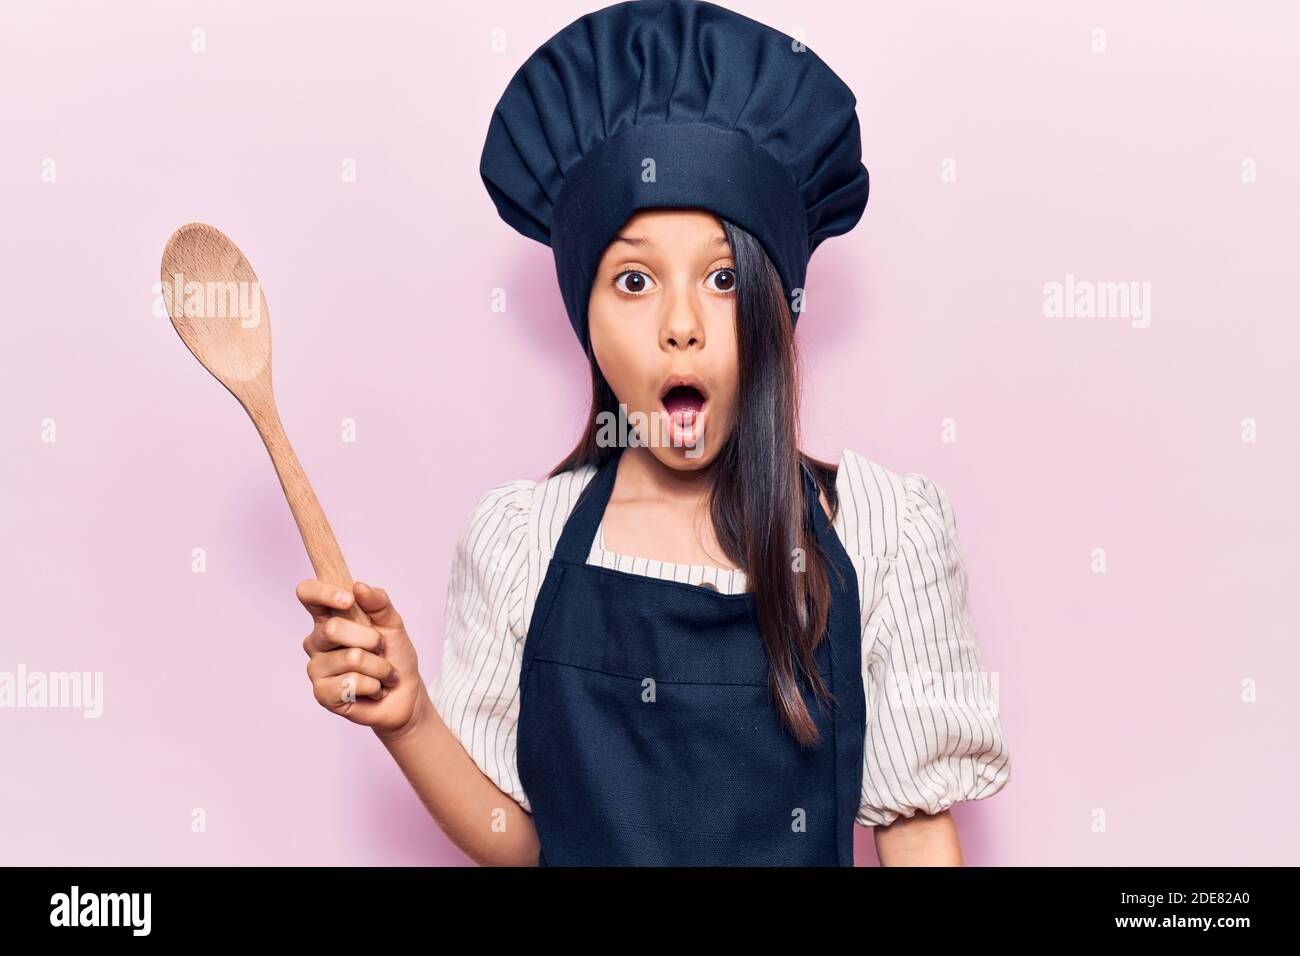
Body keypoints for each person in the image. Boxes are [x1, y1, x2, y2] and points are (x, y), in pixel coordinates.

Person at [298, 0, 1011, 866]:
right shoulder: (521, 540)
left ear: (776, 307)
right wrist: (408, 717)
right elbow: (524, 844)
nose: (681, 326)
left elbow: (918, 831)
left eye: (722, 277)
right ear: (585, 318)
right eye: (634, 280)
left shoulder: (882, 533)